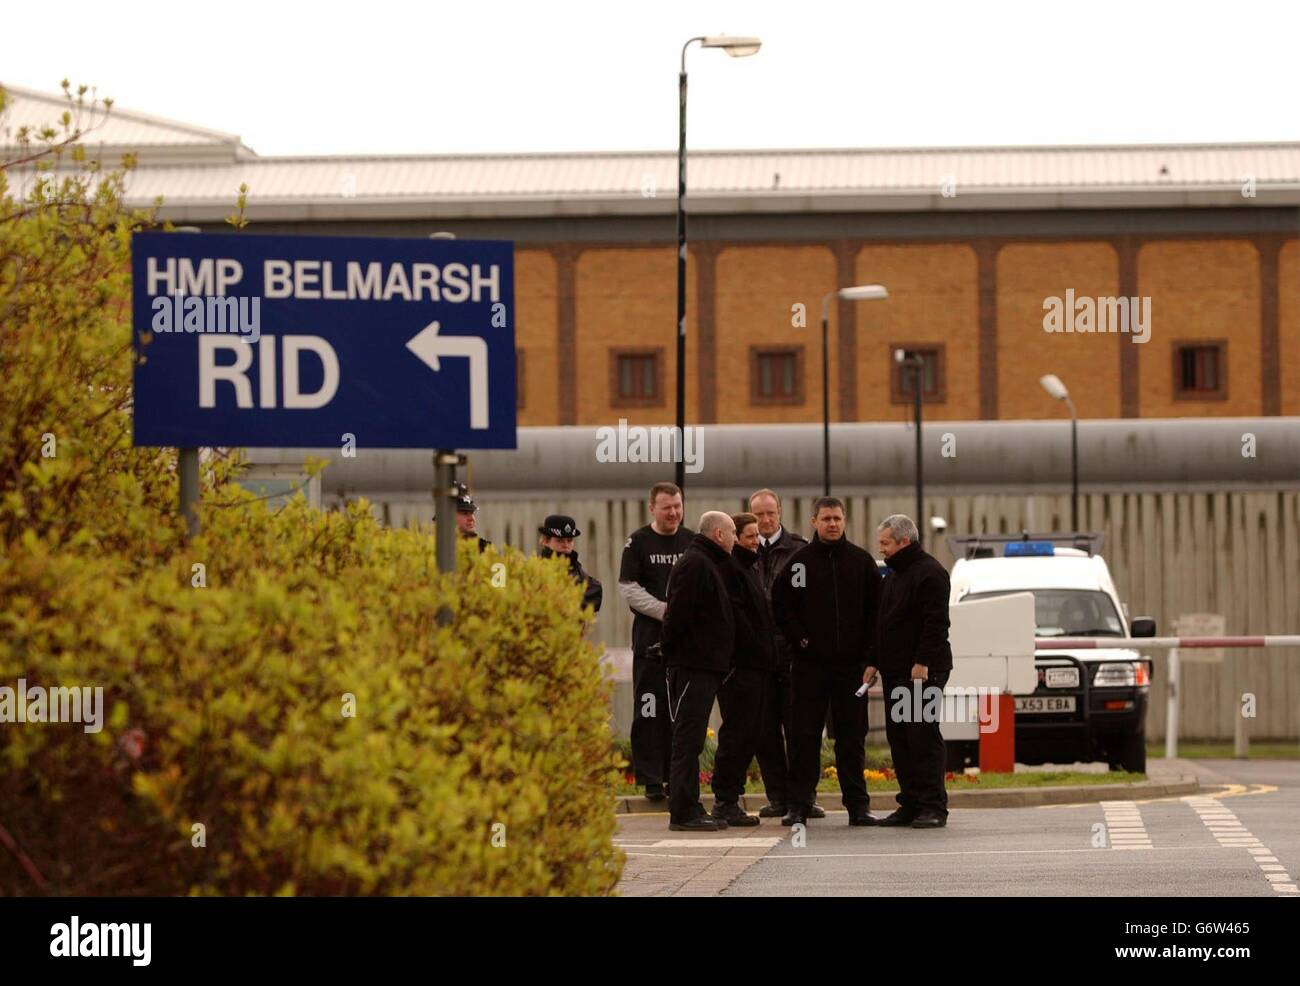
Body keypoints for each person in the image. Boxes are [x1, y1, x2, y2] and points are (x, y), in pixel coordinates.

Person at [771, 496, 882, 828]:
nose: (832, 524)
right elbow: (781, 605)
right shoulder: (798, 563)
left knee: (851, 738)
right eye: (826, 518)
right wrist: (800, 639)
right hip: (809, 667)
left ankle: (858, 807)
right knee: (804, 737)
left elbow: (878, 615)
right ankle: (799, 806)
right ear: (813, 522)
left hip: (852, 668)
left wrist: (871, 659)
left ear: (844, 520)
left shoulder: (862, 563)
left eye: (837, 518)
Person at [867, 514, 954, 829]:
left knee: (922, 735)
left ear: (905, 541)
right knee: (900, 737)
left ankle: (933, 806)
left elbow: (936, 624)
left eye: (886, 543)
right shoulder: (893, 576)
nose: (882, 550)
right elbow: (883, 624)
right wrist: (873, 661)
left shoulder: (930, 573)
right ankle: (911, 802)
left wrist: (922, 662)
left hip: (922, 672)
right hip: (895, 671)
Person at [747, 488, 821, 819]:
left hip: (792, 653)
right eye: (758, 514)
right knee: (765, 731)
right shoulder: (742, 551)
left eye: (770, 513)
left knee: (799, 729)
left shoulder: (799, 551)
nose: (764, 520)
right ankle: (777, 797)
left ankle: (803, 798)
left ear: (780, 513)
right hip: (758, 655)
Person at [661, 511, 737, 831]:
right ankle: (683, 812)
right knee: (688, 741)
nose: (735, 538)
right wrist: (675, 654)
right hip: (693, 667)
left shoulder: (707, 562)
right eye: (732, 532)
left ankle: (690, 805)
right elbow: (677, 616)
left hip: (703, 666)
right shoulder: (696, 564)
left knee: (692, 741)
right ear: (718, 534)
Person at [618, 482, 693, 802]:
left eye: (677, 506)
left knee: (682, 710)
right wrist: (666, 612)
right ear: (652, 508)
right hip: (650, 639)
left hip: (685, 641)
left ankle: (678, 778)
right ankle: (651, 779)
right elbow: (628, 588)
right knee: (649, 707)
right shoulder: (638, 542)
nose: (673, 512)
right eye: (667, 507)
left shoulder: (692, 541)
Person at [708, 512, 773, 827]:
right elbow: (739, 621)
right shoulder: (731, 570)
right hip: (740, 669)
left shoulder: (748, 568)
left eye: (756, 536)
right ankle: (725, 800)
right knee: (736, 735)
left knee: (748, 734)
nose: (754, 541)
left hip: (755, 666)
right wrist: (760, 650)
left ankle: (730, 798)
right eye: (748, 536)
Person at [538, 514, 602, 613]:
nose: (566, 545)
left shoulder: (575, 566)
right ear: (546, 541)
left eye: (569, 540)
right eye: (559, 540)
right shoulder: (538, 568)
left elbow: (596, 592)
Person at [453, 483, 491, 553]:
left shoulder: (485, 549)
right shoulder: (432, 548)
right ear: (447, 517)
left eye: (472, 513)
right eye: (465, 513)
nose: (471, 519)